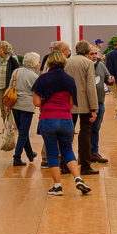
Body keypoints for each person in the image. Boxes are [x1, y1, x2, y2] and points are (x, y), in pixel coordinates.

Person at [31, 51, 91, 196]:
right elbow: (71, 104)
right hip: (66, 120)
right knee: (67, 150)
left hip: (48, 120)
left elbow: (37, 102)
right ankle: (78, 178)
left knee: (52, 152)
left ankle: (57, 186)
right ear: (64, 62)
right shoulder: (70, 80)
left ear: (49, 62)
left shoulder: (42, 79)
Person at [66, 40, 99, 175]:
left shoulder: (67, 62)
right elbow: (91, 87)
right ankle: (85, 166)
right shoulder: (88, 63)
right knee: (85, 134)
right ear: (86, 51)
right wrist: (94, 108)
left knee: (67, 135)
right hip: (85, 104)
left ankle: (65, 165)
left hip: (69, 103)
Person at [10, 52, 39, 166]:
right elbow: (37, 93)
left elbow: (10, 87)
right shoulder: (34, 76)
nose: (39, 64)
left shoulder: (16, 71)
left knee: (23, 132)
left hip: (15, 104)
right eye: (38, 61)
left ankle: (30, 154)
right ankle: (16, 157)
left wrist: (8, 106)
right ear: (34, 63)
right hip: (27, 106)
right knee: (23, 133)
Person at [89, 44, 111, 164]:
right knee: (86, 129)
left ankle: (94, 152)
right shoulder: (85, 66)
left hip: (100, 102)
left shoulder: (101, 66)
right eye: (92, 54)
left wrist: (110, 80)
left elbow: (108, 78)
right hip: (86, 104)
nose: (94, 56)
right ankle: (84, 153)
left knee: (96, 129)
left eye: (95, 54)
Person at [0, 41, 20, 122]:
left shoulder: (12, 59)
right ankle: (6, 126)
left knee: (8, 108)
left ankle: (11, 126)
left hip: (9, 88)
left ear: (5, 49)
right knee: (2, 108)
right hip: (0, 87)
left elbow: (17, 73)